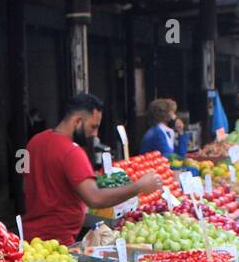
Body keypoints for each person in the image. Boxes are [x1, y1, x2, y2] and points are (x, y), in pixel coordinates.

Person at [21, 93, 161, 245]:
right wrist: (138, 187)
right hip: (57, 241)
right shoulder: (72, 152)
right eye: (93, 127)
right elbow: (95, 198)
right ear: (78, 121)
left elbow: (24, 185)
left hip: (30, 238)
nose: (95, 134)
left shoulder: (33, 142)